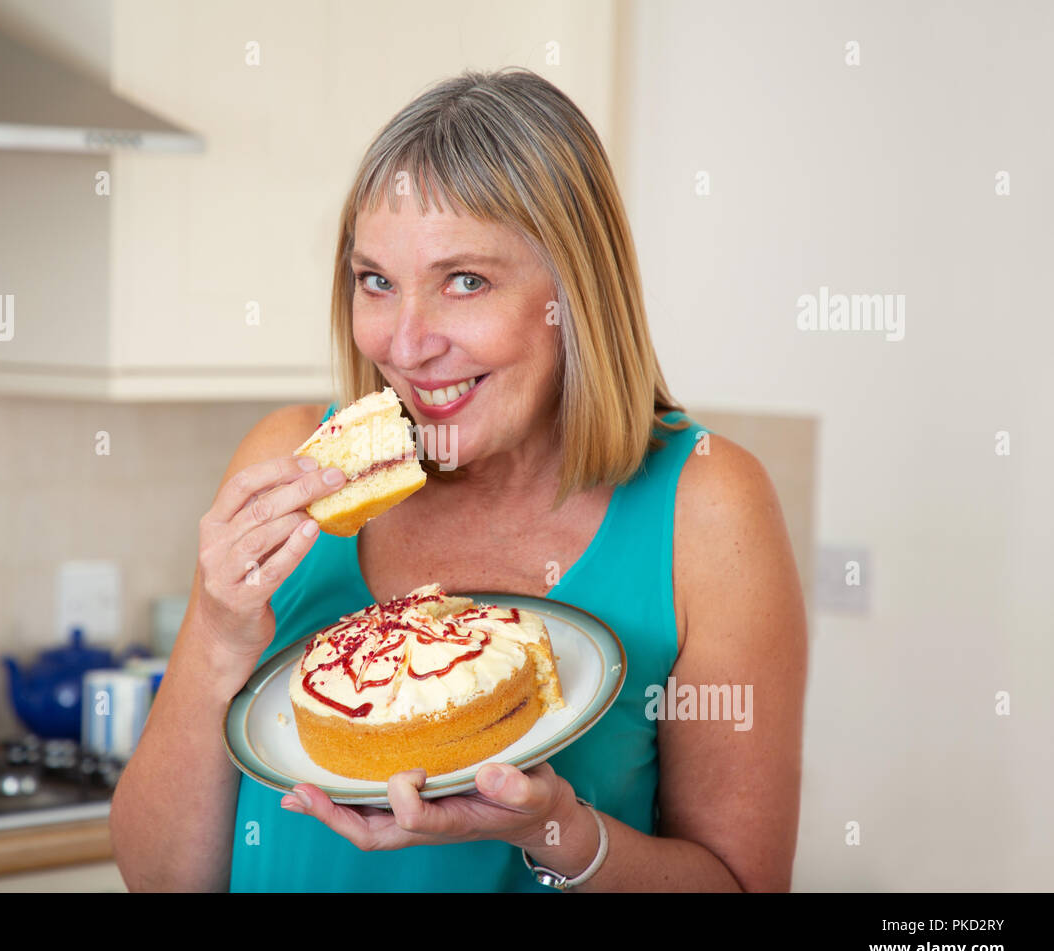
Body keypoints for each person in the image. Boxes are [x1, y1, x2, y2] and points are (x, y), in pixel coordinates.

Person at [110, 67, 807, 892]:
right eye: (377, 281)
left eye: (464, 281)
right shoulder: (289, 460)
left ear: (574, 296)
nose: (405, 345)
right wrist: (221, 638)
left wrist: (560, 831)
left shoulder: (705, 505)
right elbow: (157, 879)